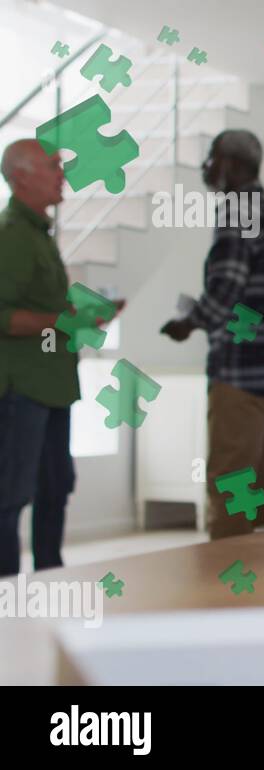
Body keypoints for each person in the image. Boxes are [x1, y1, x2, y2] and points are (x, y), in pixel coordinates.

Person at [161, 130, 264, 539]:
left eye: (212, 158)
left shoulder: (237, 210)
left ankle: (225, 589)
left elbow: (225, 287)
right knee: (261, 491)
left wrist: (188, 322)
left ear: (231, 163)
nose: (207, 167)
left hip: (243, 375)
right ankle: (263, 585)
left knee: (231, 485)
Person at [0, 139, 122, 575]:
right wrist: (62, 320)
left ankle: (50, 581)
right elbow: (6, 316)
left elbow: (42, 312)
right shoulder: (12, 235)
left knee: (55, 488)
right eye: (52, 166)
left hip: (51, 388)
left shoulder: (37, 233)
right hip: (22, 390)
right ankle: (8, 599)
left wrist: (80, 318)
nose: (62, 173)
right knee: (11, 497)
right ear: (20, 177)